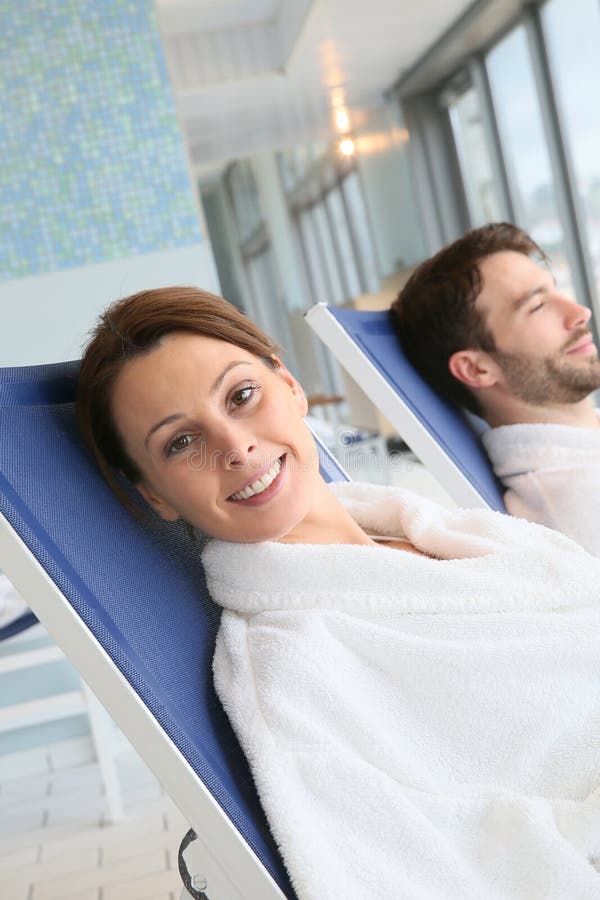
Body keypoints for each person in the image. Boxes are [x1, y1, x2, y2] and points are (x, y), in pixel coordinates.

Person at [77, 286, 600, 900]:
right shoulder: (291, 668)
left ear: (291, 386)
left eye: (242, 396)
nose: (236, 446)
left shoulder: (432, 530)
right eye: (180, 443)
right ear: (155, 496)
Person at [390, 222, 600, 555]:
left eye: (555, 290)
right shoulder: (578, 501)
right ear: (476, 368)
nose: (579, 313)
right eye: (537, 306)